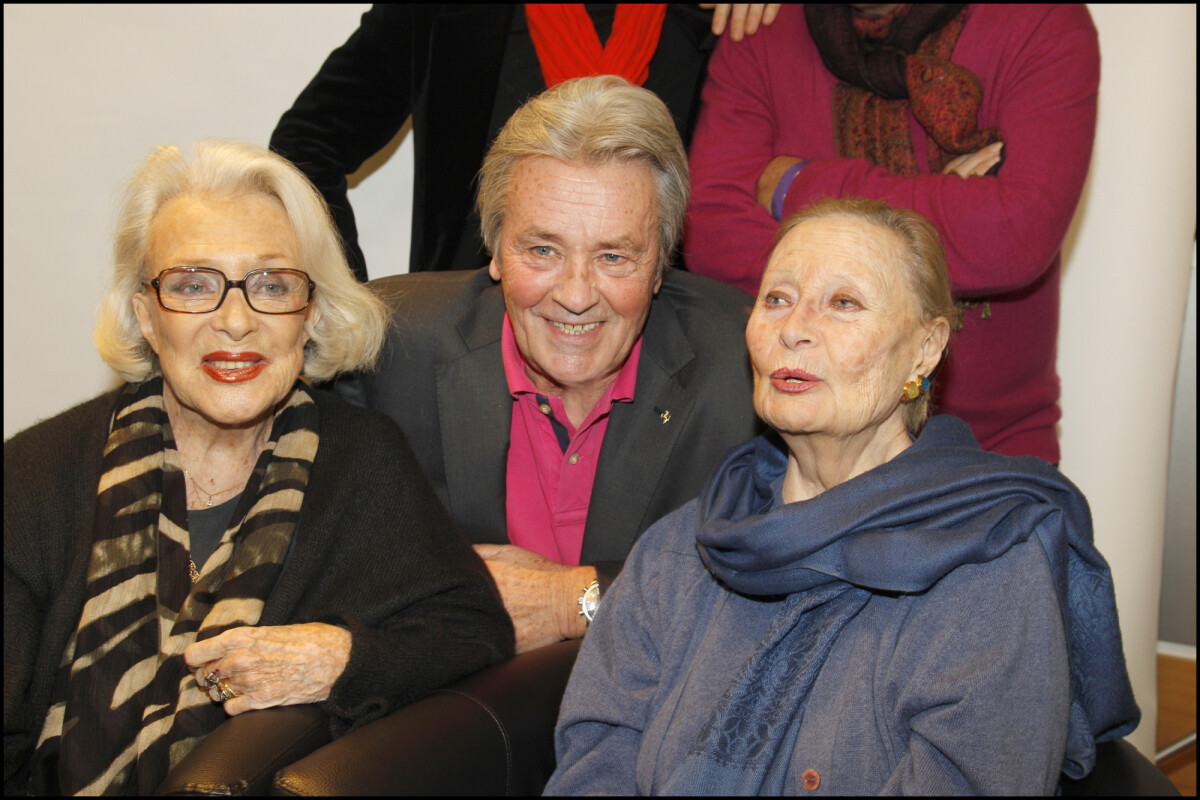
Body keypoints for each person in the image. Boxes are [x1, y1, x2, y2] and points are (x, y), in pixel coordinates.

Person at [546, 198, 1138, 795]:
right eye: (776, 298)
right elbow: (594, 763)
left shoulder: (990, 568)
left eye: (844, 303)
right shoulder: (681, 549)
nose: (793, 329)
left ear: (925, 349)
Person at [3, 140, 514, 795]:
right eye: (193, 285)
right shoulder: (34, 476)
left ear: (312, 311)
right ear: (146, 316)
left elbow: (472, 633)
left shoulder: (364, 461)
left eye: (272, 285)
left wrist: (343, 660)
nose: (236, 321)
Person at [334, 75, 764, 654]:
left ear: (661, 264)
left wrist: (578, 599)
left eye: (614, 256)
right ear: (494, 248)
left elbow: (790, 584)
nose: (577, 294)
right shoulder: (388, 343)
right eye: (543, 250)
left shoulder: (752, 369)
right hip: (455, 718)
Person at [684, 4, 1101, 465]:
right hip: (790, 454)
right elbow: (710, 235)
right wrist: (953, 203)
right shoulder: (764, 22)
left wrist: (795, 186)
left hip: (989, 459)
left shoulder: (1040, 18)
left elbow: (1018, 235)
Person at [270, 3, 779, 281]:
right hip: (468, 352)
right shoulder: (438, 13)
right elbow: (305, 145)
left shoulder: (717, 16)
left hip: (657, 363)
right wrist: (345, 300)